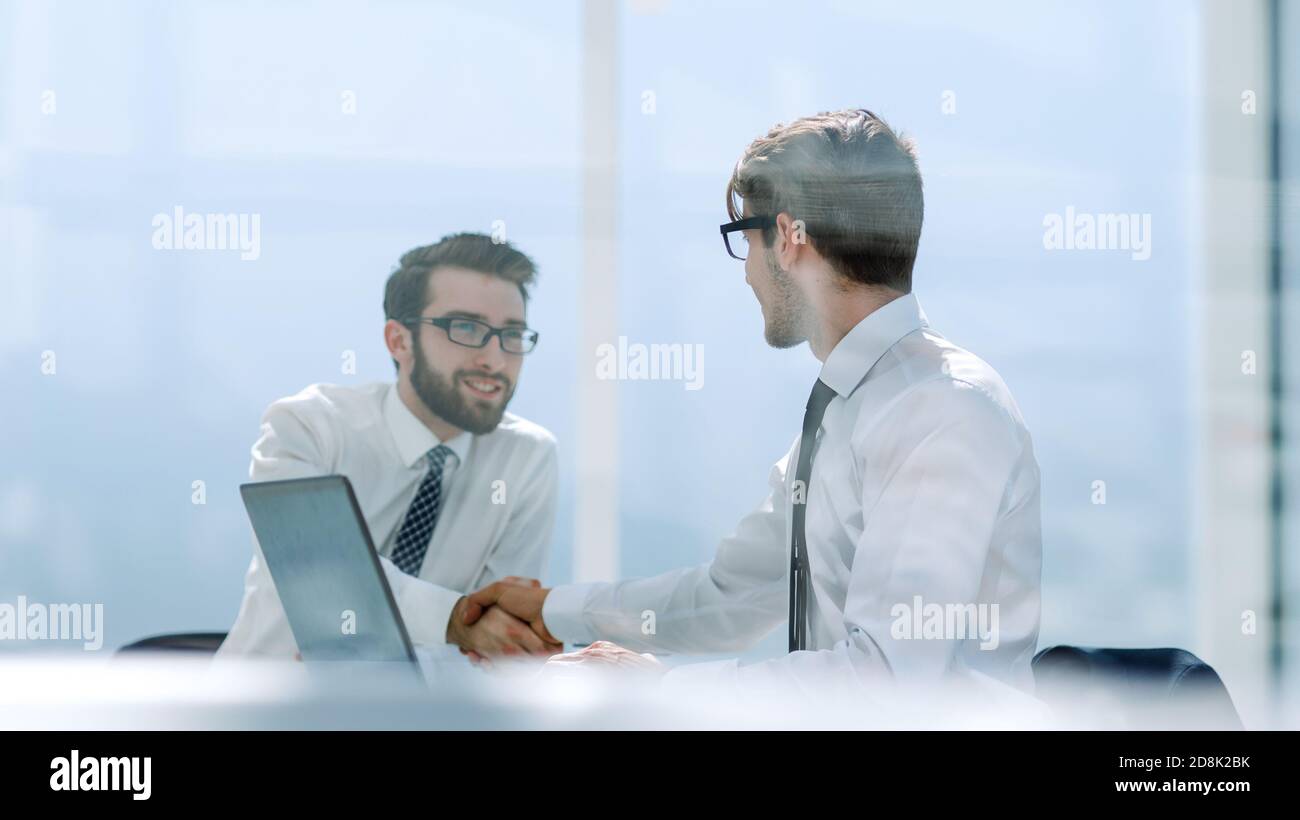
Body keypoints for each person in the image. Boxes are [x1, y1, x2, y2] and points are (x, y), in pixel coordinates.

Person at [464, 110, 1043, 698]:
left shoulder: (942, 409)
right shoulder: (849, 408)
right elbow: (729, 596)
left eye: (745, 239)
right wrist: (553, 611)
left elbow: (889, 675)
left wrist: (660, 688)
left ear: (789, 238)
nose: (746, 276)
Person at [217, 233, 561, 662]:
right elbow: (322, 578)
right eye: (466, 328)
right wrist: (458, 619)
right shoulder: (308, 426)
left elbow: (502, 646)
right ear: (399, 341)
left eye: (512, 334)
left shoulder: (527, 458)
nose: (495, 359)